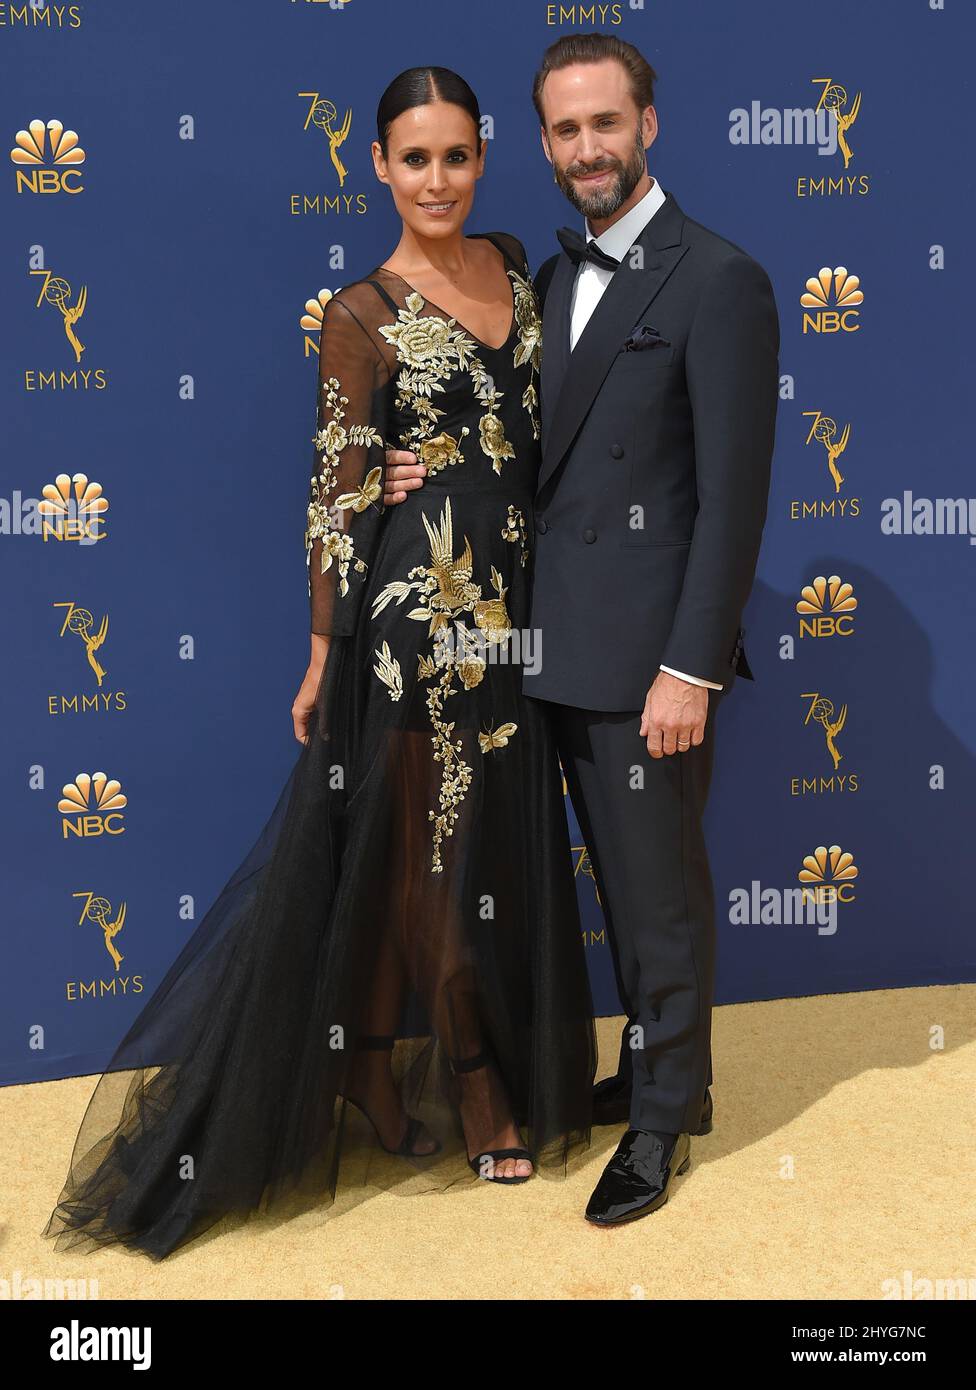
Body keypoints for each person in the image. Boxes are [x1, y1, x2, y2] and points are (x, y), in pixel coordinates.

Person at [41, 65, 596, 1262]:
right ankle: (477, 1080)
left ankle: (367, 1071)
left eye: (455, 155)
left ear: (480, 159)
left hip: (513, 621)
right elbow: (333, 496)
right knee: (431, 867)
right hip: (409, 617)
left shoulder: (521, 268)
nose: (436, 179)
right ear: (377, 167)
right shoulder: (360, 313)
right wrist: (318, 655)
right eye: (414, 159)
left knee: (468, 852)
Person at [384, 34, 780, 1227]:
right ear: (543, 143)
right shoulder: (542, 282)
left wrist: (687, 669)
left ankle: (667, 1118)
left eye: (606, 123)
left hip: (643, 663)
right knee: (579, 889)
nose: (587, 149)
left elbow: (733, 500)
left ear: (648, 124)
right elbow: (517, 455)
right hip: (532, 648)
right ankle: (644, 1068)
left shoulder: (720, 279)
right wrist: (415, 471)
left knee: (655, 896)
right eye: (564, 131)